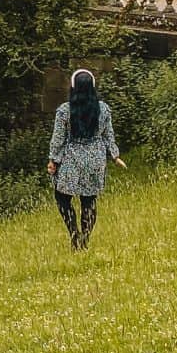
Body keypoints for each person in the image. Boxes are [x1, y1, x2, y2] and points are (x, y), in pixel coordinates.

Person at [47, 68, 126, 250]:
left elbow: (58, 139)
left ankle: (74, 234)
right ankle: (85, 239)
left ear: (73, 87)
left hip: (72, 159)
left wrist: (53, 160)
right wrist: (114, 155)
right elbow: (108, 135)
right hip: (95, 160)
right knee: (89, 200)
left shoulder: (64, 111)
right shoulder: (103, 109)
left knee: (62, 197)